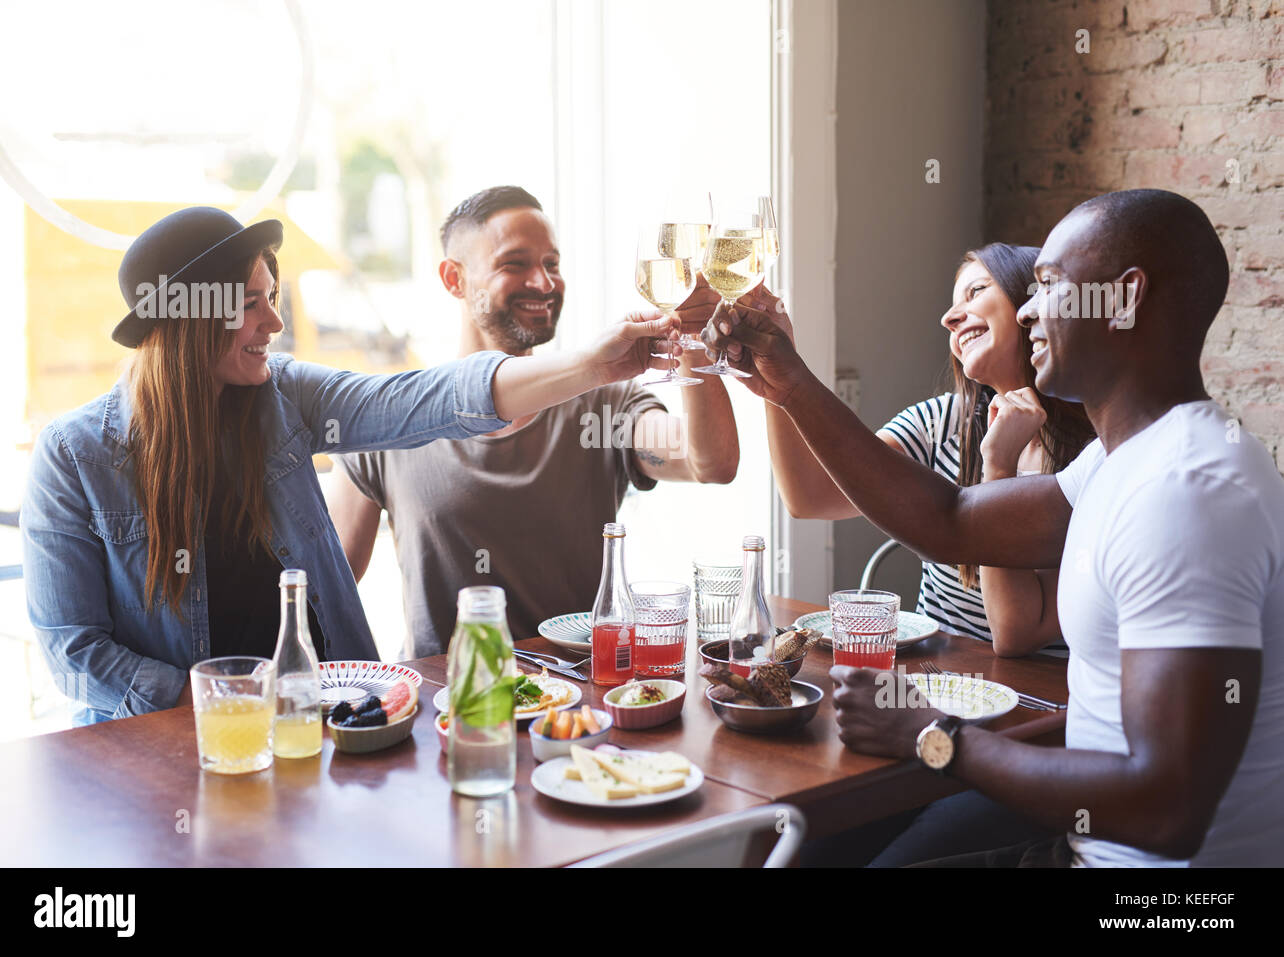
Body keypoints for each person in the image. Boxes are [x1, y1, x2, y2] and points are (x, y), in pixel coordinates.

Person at [705, 188, 1283, 866]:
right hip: (1085, 852)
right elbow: (949, 521)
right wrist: (789, 382)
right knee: (798, 850)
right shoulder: (1123, 459)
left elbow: (1166, 808)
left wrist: (932, 733)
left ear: (1124, 300)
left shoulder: (1186, 490)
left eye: (1049, 287)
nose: (1030, 309)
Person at [21, 206, 682, 725]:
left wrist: (597, 364)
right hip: (166, 749)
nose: (274, 321)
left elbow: (426, 400)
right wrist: (226, 698)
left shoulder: (284, 396)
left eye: (271, 295)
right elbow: (74, 651)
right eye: (251, 302)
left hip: (325, 727)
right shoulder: (73, 457)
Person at [327, 186, 739, 656]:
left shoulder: (604, 403)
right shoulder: (394, 416)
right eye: (514, 263)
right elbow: (327, 591)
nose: (544, 283)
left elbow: (712, 464)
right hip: (450, 711)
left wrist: (690, 339)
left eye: (552, 264)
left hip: (580, 711)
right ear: (453, 278)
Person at [758, 244, 1093, 653]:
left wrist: (997, 466)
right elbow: (809, 497)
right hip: (937, 685)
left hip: (1039, 701)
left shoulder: (1096, 454)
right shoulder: (940, 423)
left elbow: (1015, 634)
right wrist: (773, 374)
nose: (949, 319)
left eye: (976, 292)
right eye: (954, 305)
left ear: (1034, 304)